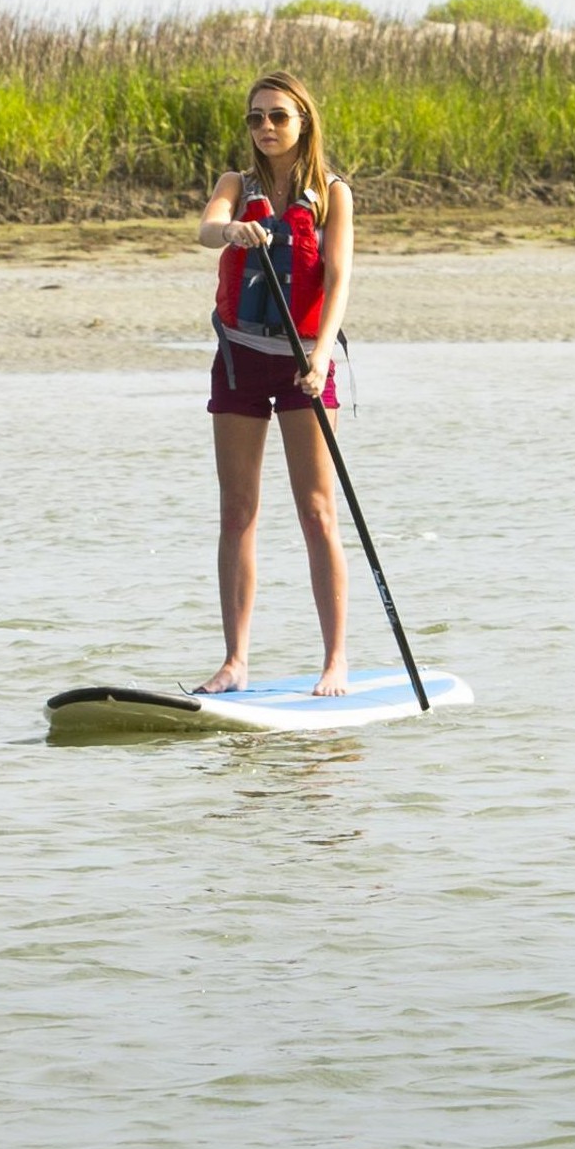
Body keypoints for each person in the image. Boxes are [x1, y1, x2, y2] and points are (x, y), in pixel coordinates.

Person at [197, 71, 356, 697]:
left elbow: (339, 280)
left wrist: (319, 359)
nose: (265, 128)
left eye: (278, 117)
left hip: (302, 364)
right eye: (256, 117)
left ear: (303, 122)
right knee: (236, 511)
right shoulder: (236, 186)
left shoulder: (332, 192)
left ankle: (335, 660)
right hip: (239, 358)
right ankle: (235, 661)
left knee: (317, 512)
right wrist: (231, 229)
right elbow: (206, 229)